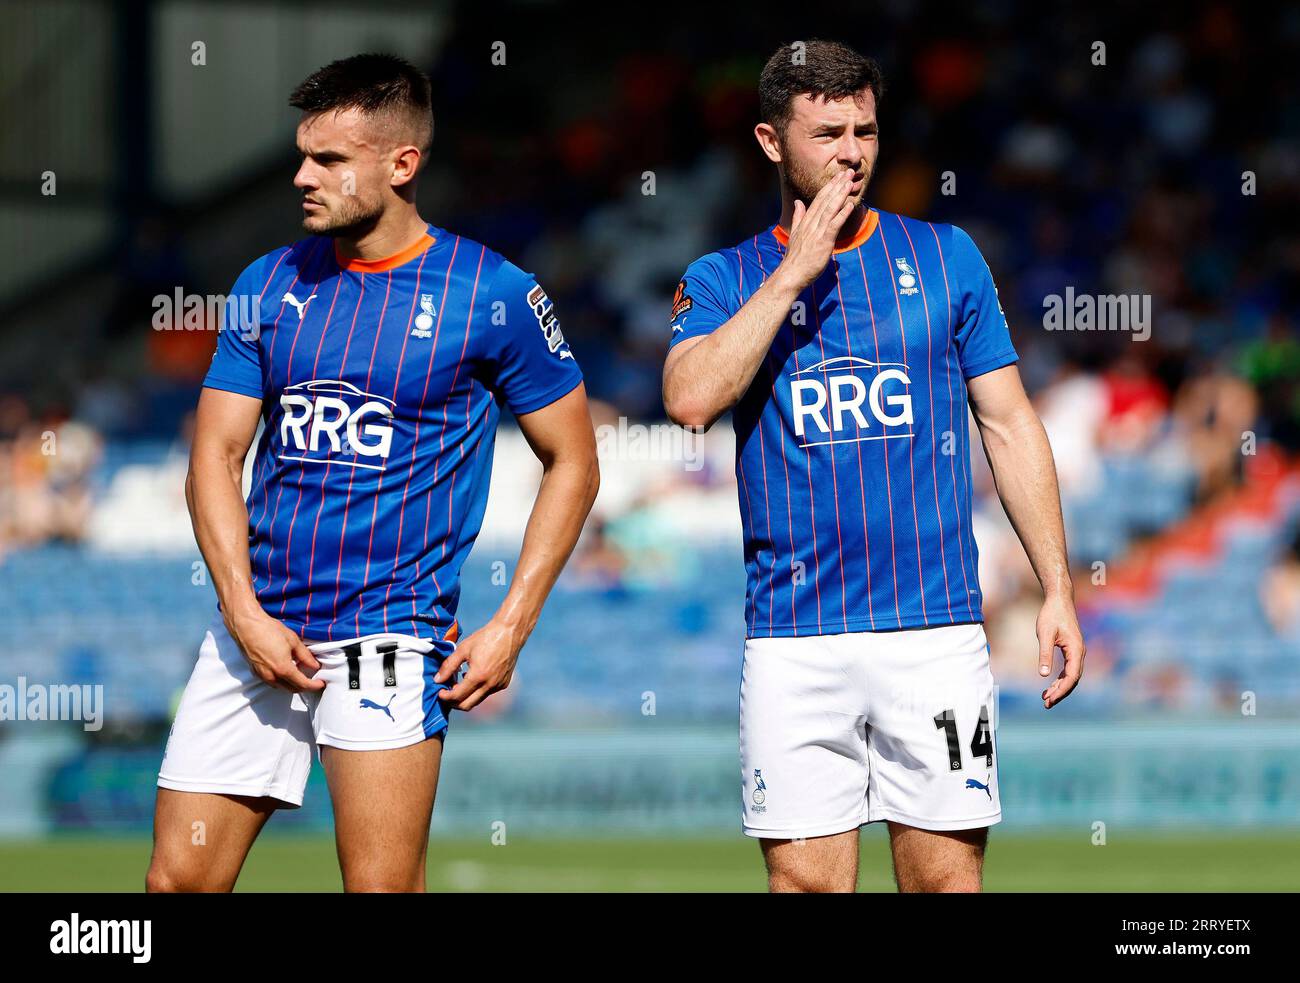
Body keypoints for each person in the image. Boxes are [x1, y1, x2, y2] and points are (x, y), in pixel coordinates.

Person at [147, 53, 598, 892]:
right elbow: (214, 453)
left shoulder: (493, 292)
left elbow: (573, 458)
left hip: (388, 636)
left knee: (380, 887)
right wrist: (242, 610)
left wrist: (510, 624)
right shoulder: (267, 283)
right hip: (258, 628)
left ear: (401, 164)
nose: (300, 176)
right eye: (302, 154)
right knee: (177, 882)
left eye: (329, 160)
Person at [662, 39, 1085, 892]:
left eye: (865, 130)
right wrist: (792, 276)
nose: (852, 151)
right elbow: (690, 398)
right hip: (793, 637)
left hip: (934, 631)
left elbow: (1007, 423)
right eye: (827, 133)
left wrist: (1058, 587)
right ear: (772, 142)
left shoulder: (946, 257)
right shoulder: (722, 276)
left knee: (944, 883)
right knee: (808, 886)